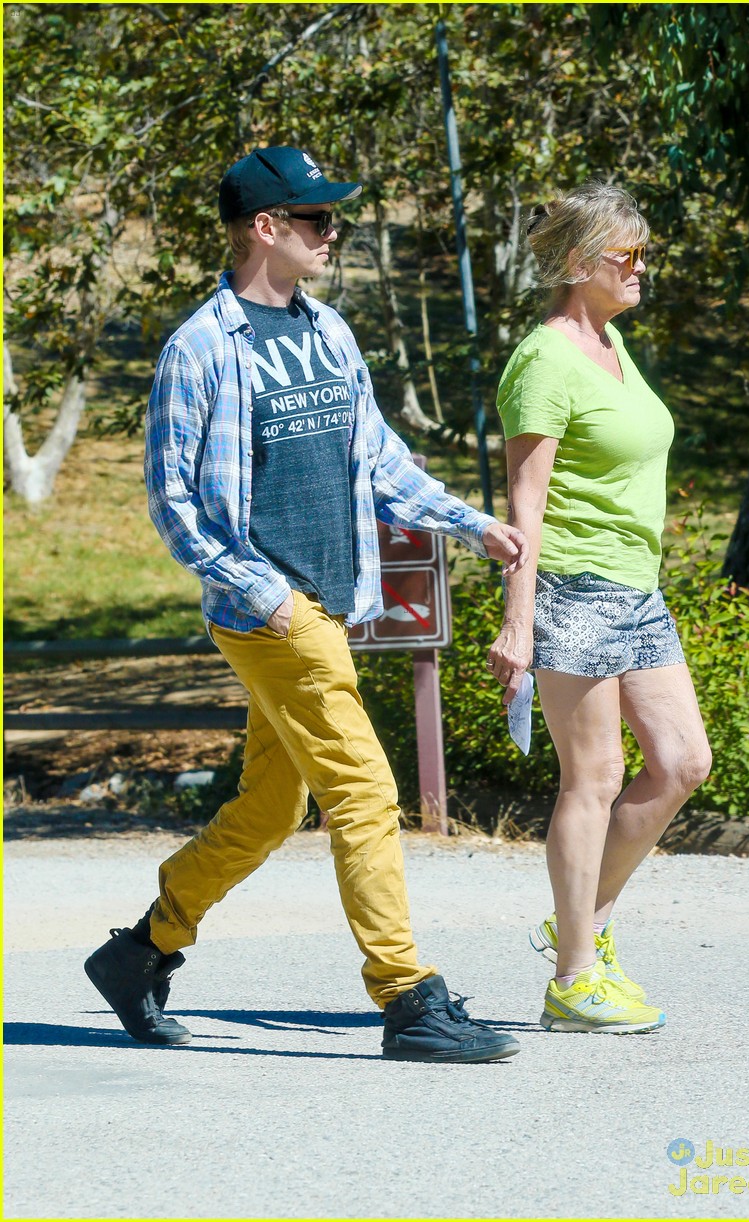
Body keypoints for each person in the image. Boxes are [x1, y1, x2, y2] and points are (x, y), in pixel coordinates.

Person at [85, 145, 528, 1064]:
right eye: (319, 219)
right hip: (271, 611)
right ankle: (408, 998)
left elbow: (378, 458)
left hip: (332, 600)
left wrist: (468, 522)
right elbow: (172, 500)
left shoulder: (327, 332)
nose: (335, 232)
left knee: (272, 805)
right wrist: (263, 594)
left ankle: (141, 952)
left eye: (333, 218)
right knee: (364, 790)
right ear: (266, 228)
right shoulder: (201, 346)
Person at [487, 181, 712, 1034]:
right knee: (593, 778)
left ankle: (578, 921)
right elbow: (525, 502)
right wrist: (518, 619)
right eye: (629, 255)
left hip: (634, 588)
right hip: (572, 587)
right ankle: (574, 978)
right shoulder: (543, 361)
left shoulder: (610, 343)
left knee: (683, 761)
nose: (642, 266)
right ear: (580, 265)